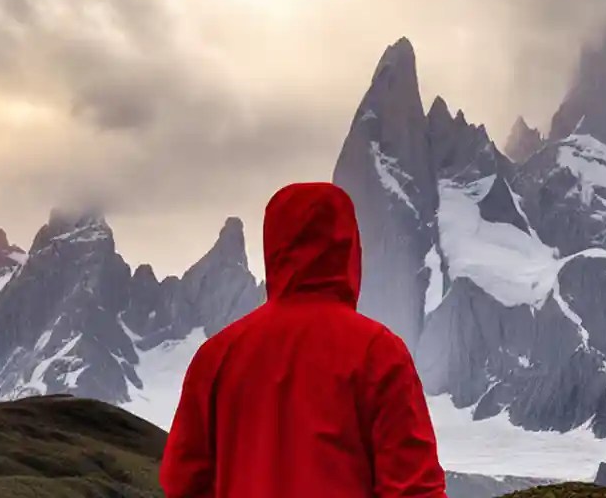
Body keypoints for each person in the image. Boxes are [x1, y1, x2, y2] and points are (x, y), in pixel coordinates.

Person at [160, 182, 447, 497]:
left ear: (274, 246)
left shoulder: (216, 357)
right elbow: (414, 488)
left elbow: (183, 482)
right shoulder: (378, 351)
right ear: (349, 248)